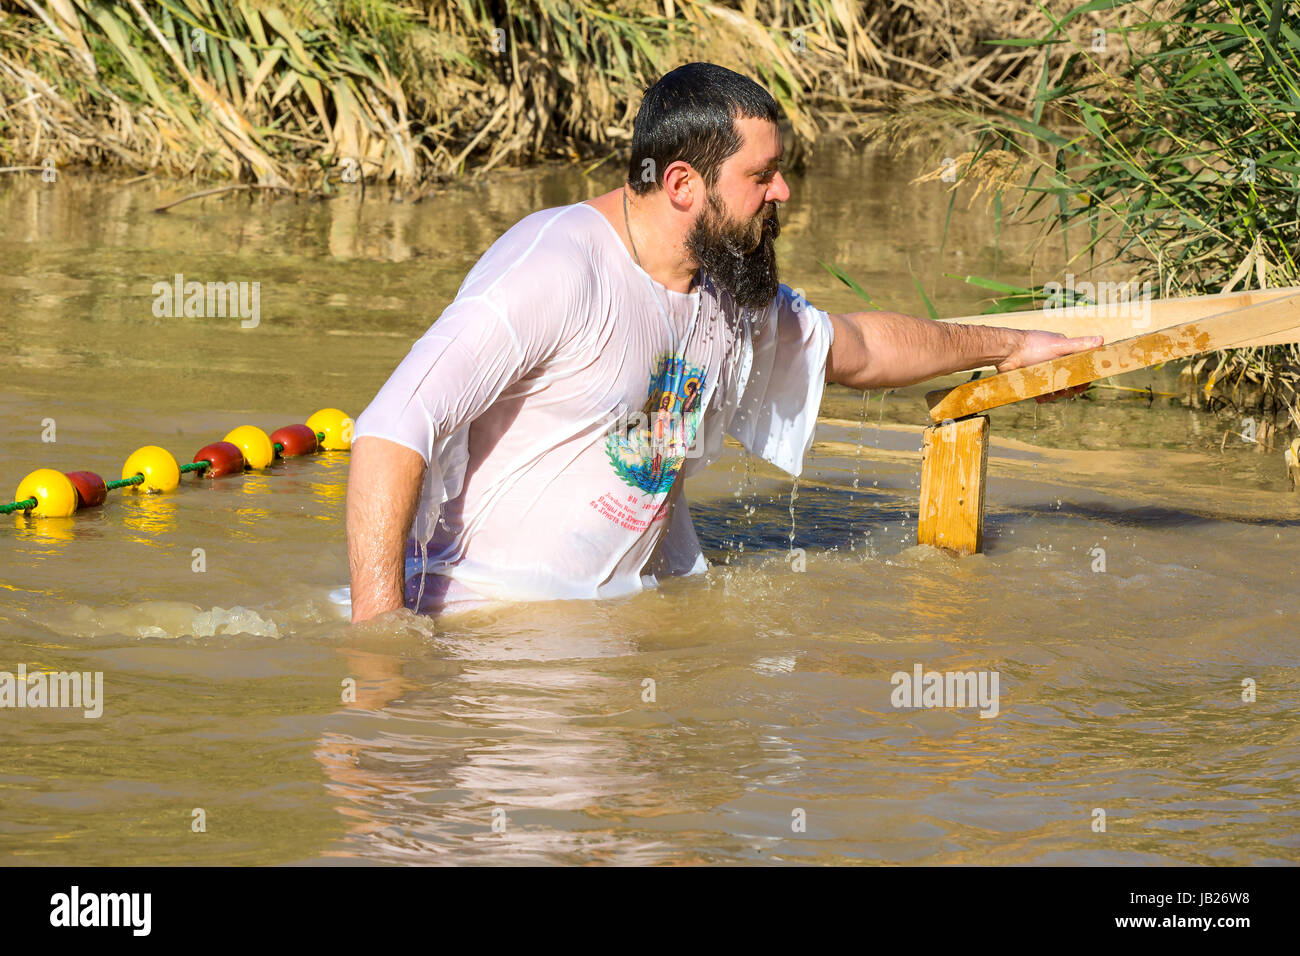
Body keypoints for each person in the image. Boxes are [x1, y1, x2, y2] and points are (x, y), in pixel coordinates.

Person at [346, 62, 1099, 623]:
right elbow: (392, 427)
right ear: (682, 185)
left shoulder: (724, 287)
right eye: (762, 175)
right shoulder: (554, 267)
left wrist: (1008, 345)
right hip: (483, 634)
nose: (783, 193)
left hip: (615, 626)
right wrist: (382, 651)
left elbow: (858, 348)